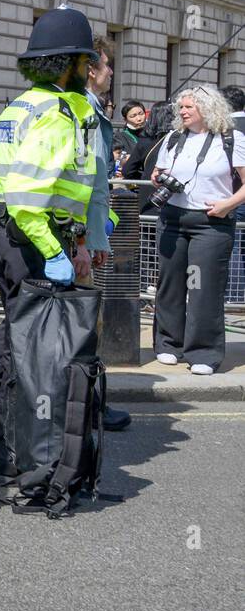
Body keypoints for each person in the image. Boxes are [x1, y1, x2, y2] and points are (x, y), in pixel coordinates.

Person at [0, 6, 100, 493]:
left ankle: (4, 448)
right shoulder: (60, 115)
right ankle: (9, 454)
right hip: (31, 238)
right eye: (86, 62)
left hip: (7, 233)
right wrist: (57, 251)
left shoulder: (20, 105)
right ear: (70, 63)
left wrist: (84, 219)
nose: (89, 70)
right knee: (31, 351)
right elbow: (28, 201)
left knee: (22, 338)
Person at [150, 85, 245, 375]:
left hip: (211, 222)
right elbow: (160, 172)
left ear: (207, 108)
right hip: (172, 218)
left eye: (188, 107)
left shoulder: (232, 139)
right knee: (170, 284)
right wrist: (158, 178)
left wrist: (228, 205)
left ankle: (204, 352)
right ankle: (168, 344)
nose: (182, 112)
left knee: (202, 287)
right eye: (181, 108)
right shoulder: (174, 138)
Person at [83, 37, 132, 430]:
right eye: (106, 65)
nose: (111, 72)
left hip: (81, 238)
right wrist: (91, 239)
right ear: (90, 70)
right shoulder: (83, 110)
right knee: (85, 329)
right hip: (76, 241)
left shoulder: (90, 109)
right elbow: (87, 182)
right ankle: (87, 408)